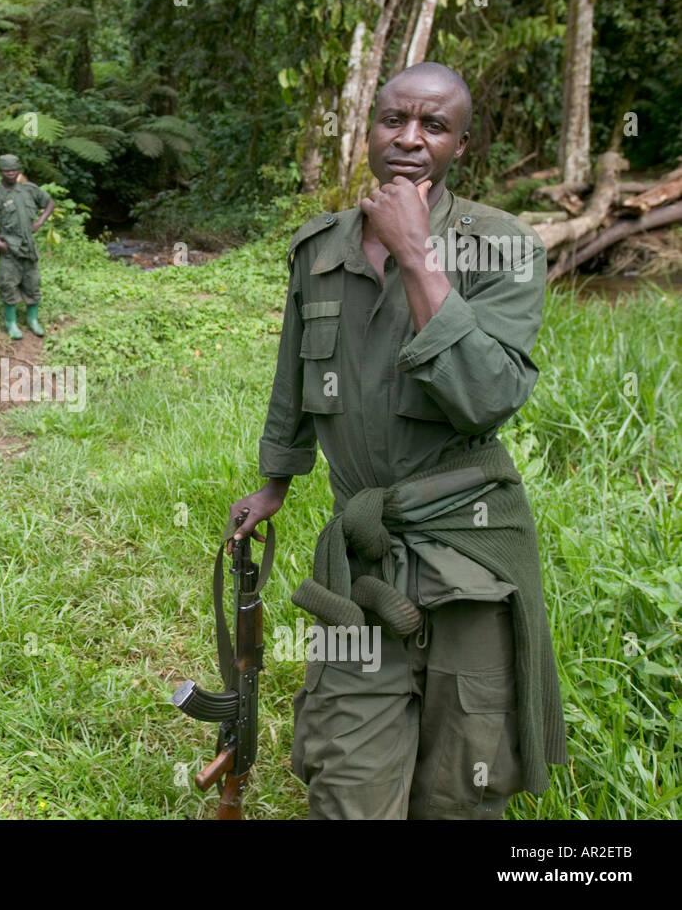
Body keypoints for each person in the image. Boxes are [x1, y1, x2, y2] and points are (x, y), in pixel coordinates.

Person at [228, 62, 567, 819]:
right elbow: (293, 378)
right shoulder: (318, 250)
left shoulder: (501, 247)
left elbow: (487, 398)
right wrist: (275, 481)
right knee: (347, 788)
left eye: (434, 125)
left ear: (461, 144)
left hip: (470, 558)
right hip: (364, 562)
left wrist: (417, 255)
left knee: (459, 790)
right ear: (369, 127)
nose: (410, 138)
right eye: (393, 119)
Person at [0, 154, 55, 339]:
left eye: (14, 170)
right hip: (9, 249)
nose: (11, 173)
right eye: (7, 170)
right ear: (0, 172)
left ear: (18, 170)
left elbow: (49, 203)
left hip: (28, 247)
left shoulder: (29, 189)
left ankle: (33, 320)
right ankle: (11, 323)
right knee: (8, 284)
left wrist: (39, 222)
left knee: (33, 283)